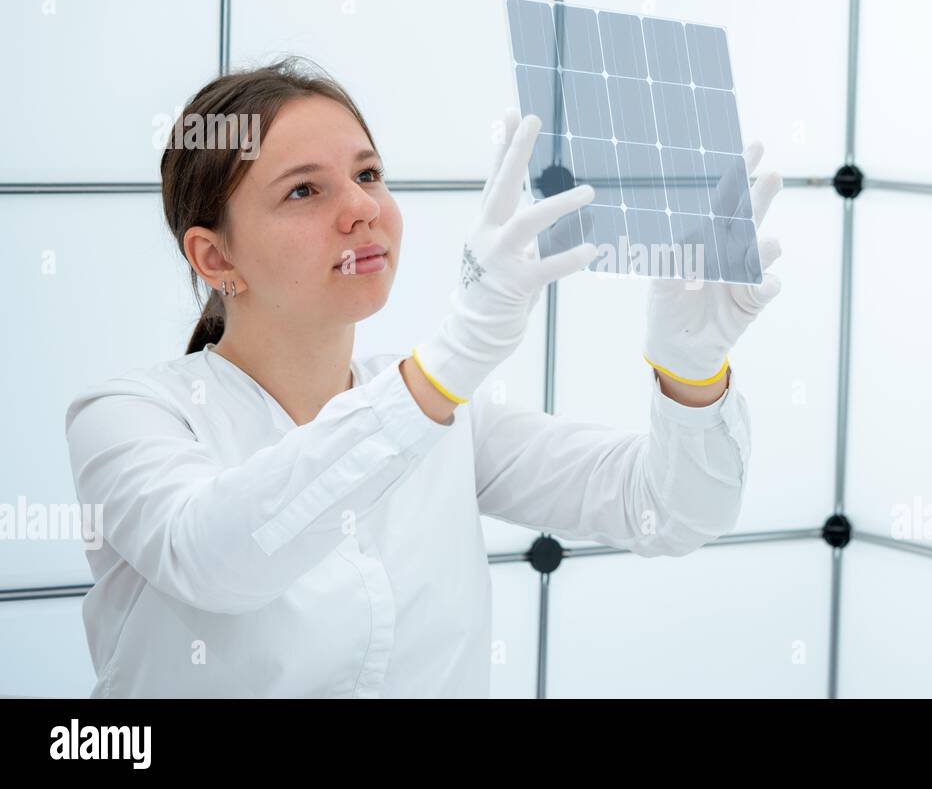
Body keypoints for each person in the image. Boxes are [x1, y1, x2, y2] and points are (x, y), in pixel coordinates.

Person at [64, 56, 784, 697]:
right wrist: (447, 365)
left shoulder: (449, 418)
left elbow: (671, 510)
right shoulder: (127, 417)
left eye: (367, 174)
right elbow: (214, 557)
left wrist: (692, 374)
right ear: (215, 259)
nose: (362, 209)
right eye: (304, 192)